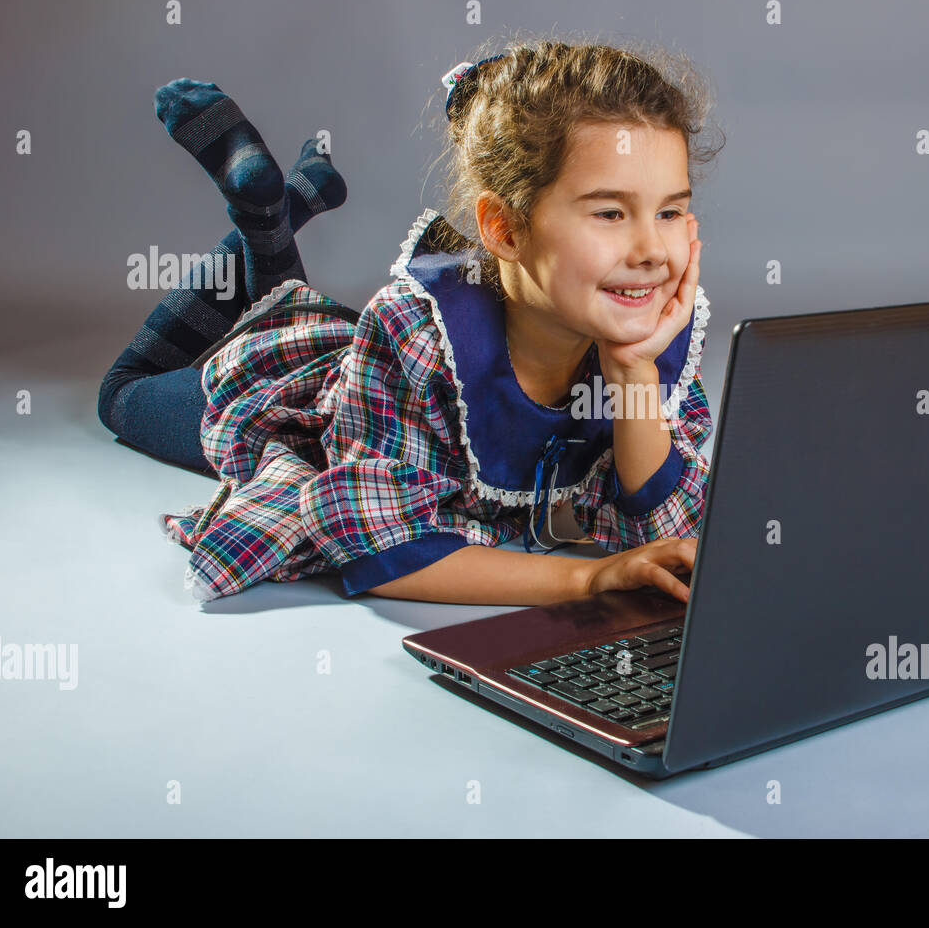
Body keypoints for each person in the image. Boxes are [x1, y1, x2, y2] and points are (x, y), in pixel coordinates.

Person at [97, 38, 725, 607]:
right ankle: (264, 221)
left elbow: (667, 537)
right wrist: (589, 577)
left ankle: (276, 214)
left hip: (372, 374)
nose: (651, 250)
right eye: (611, 213)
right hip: (298, 401)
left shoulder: (649, 340)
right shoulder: (416, 335)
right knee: (122, 392)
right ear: (505, 228)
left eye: (671, 212)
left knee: (284, 292)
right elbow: (386, 552)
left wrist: (633, 374)